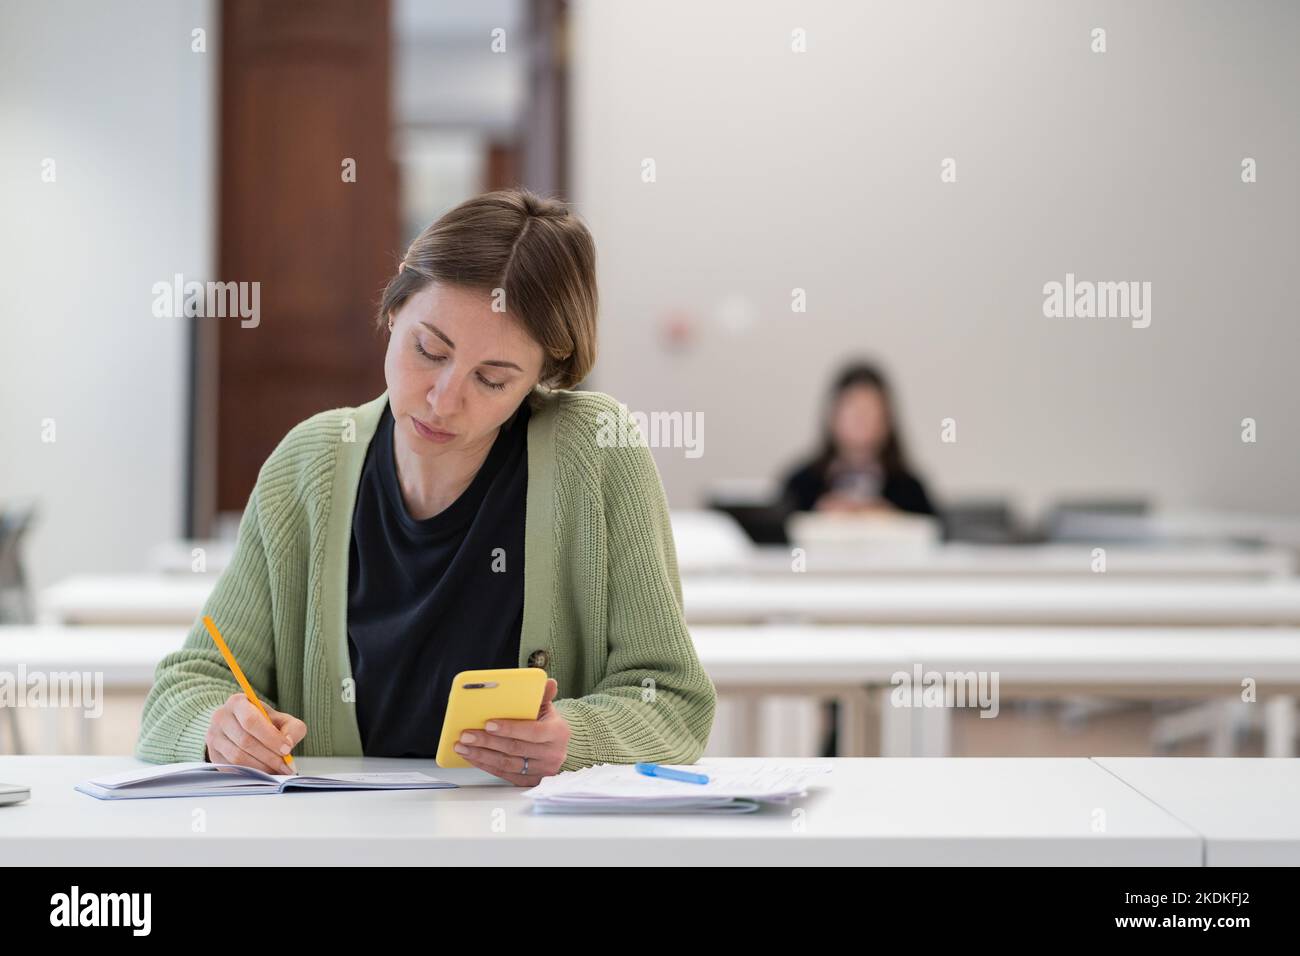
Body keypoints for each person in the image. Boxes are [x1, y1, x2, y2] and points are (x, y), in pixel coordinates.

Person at [137, 188, 716, 785]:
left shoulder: (597, 454)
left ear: (542, 378)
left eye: (492, 380)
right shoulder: (309, 464)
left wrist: (576, 737)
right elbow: (184, 689)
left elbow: (672, 700)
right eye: (428, 349)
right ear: (394, 309)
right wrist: (218, 728)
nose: (443, 400)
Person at [781, 361, 935, 518]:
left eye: (870, 411)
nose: (861, 419)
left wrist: (890, 517)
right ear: (833, 416)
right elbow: (779, 532)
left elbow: (935, 532)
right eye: (853, 410)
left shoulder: (910, 489)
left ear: (887, 420)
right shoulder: (801, 484)